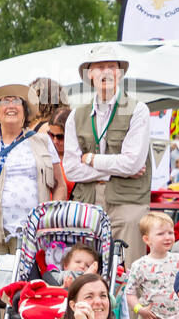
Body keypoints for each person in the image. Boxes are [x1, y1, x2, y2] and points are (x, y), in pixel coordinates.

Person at [63, 43, 152, 264]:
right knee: (84, 269)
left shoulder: (138, 109)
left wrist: (91, 160)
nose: (106, 72)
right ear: (90, 74)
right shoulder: (76, 115)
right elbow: (71, 169)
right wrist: (114, 170)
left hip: (128, 202)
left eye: (111, 66)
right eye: (99, 67)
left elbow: (132, 164)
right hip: (88, 202)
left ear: (120, 73)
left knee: (129, 269)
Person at [0, 83, 65, 255]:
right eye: (4, 102)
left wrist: (51, 220)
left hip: (33, 235)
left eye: (17, 101)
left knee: (30, 282)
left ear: (25, 111)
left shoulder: (43, 142)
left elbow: (59, 185)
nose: (11, 106)